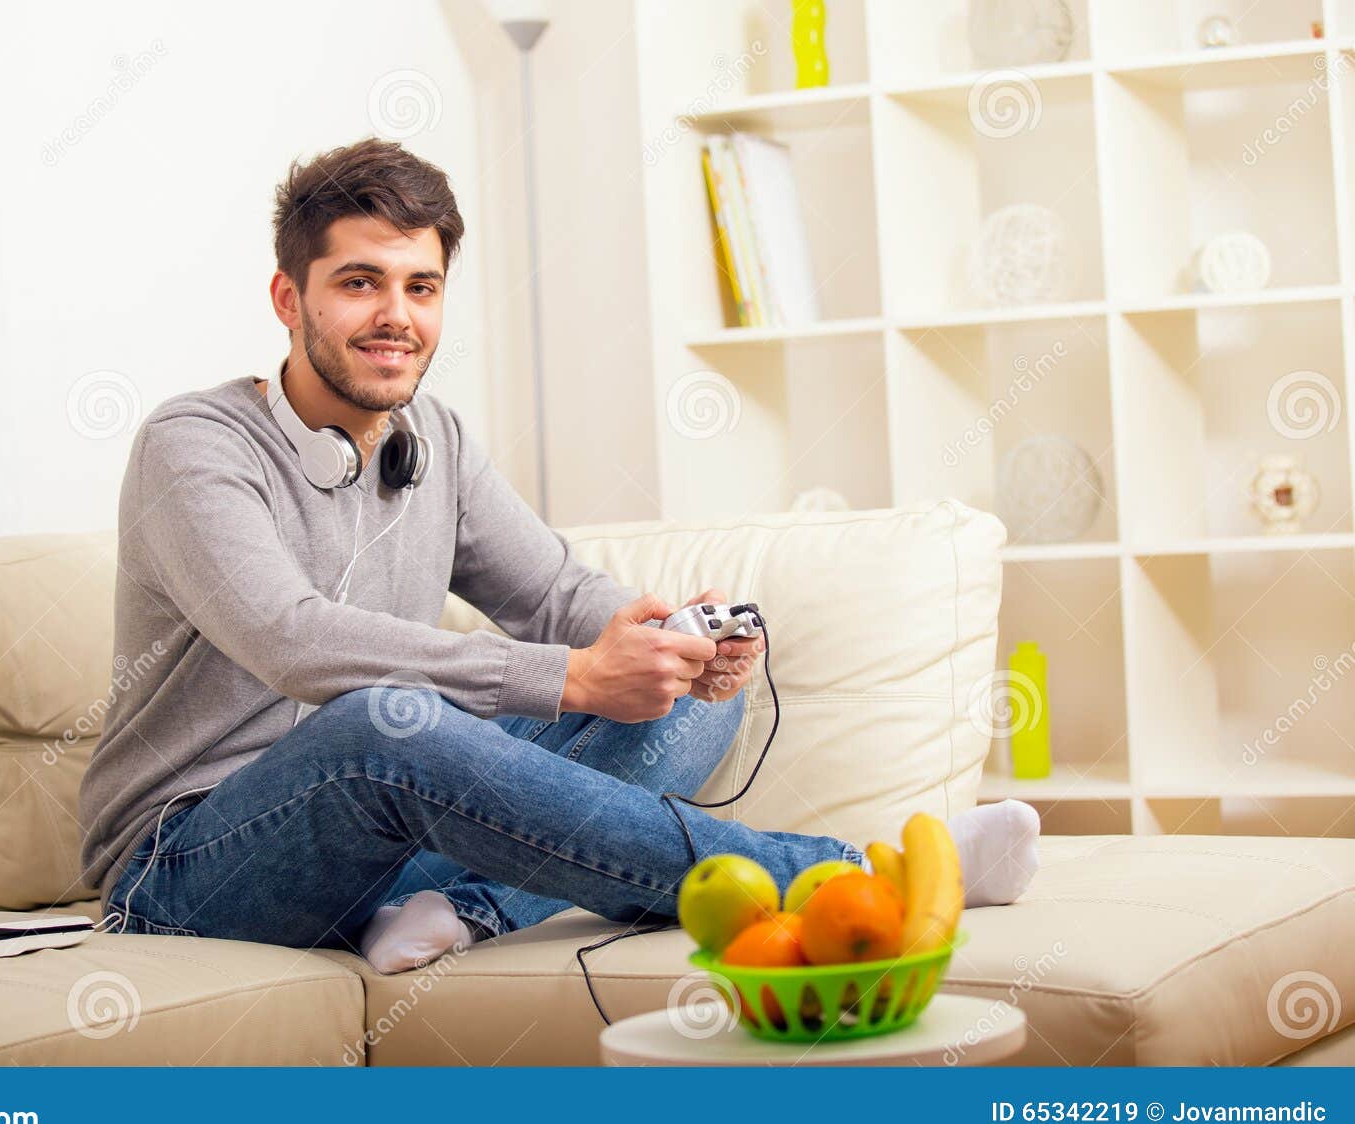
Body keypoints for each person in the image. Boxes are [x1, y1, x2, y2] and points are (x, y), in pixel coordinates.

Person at [76, 137, 1039, 975]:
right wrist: (575, 676)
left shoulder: (434, 439)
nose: (396, 315)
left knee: (684, 692)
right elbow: (293, 639)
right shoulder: (192, 445)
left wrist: (667, 641)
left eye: (421, 287)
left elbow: (553, 589)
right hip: (190, 866)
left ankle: (459, 909)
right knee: (386, 722)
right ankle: (851, 875)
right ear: (290, 298)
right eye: (360, 282)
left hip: (379, 847)